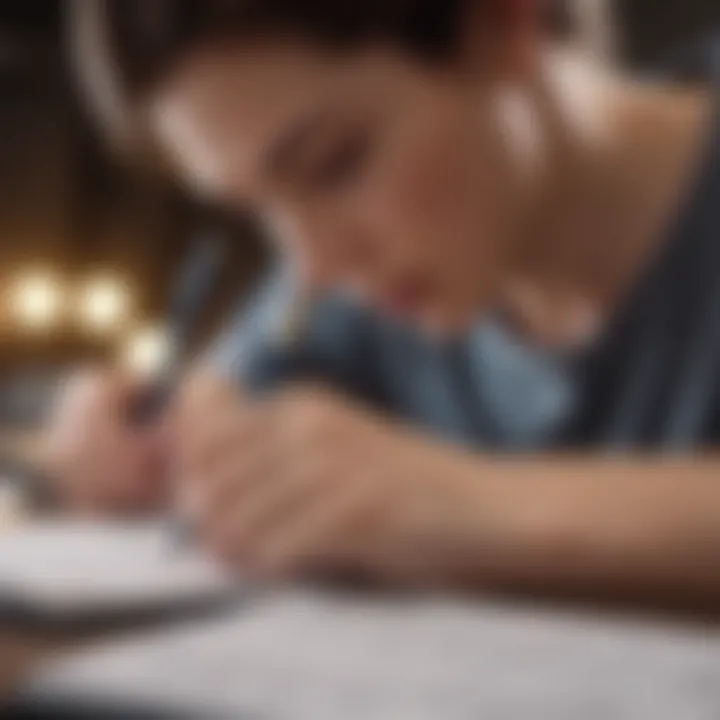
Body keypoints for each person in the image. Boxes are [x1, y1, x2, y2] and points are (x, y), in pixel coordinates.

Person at [52, 0, 720, 606]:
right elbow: (214, 416)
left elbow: (415, 501)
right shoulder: (363, 294)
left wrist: (467, 508)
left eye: (335, 163)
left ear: (508, 24)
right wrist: (146, 447)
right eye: (256, 211)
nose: (315, 268)